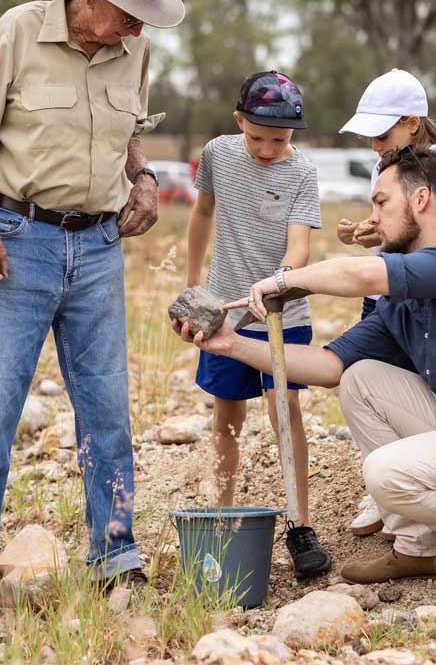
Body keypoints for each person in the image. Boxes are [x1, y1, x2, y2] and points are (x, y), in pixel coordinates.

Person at [173, 147, 436, 595]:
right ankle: (423, 549)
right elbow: (328, 366)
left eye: (381, 202)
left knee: (385, 472)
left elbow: (368, 276)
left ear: (421, 199)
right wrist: (231, 344)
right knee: (360, 379)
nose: (371, 218)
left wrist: (284, 280)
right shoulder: (402, 302)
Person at [0, 0, 184, 590]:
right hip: (18, 239)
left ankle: (115, 558)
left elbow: (128, 136)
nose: (138, 27)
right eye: (132, 12)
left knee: (107, 409)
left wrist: (144, 181)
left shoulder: (135, 48)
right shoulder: (18, 33)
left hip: (100, 248)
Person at [185, 70, 331, 578]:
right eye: (257, 137)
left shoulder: (302, 173)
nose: (268, 149)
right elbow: (202, 214)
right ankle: (218, 520)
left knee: (284, 409)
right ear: (237, 122)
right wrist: (192, 286)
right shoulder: (218, 155)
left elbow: (300, 247)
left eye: (280, 140)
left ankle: (300, 524)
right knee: (226, 419)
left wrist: (280, 281)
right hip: (224, 310)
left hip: (281, 314)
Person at [332, 68, 436, 538]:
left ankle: (421, 483)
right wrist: (361, 233)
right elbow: (389, 226)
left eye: (380, 133)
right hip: (381, 295)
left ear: (412, 122)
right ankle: (384, 485)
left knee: (409, 387)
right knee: (364, 385)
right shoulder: (385, 165)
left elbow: (435, 234)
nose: (373, 144)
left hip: (416, 295)